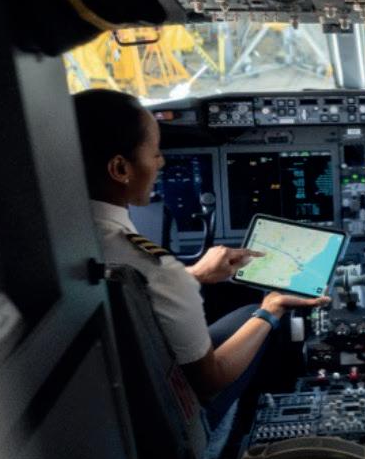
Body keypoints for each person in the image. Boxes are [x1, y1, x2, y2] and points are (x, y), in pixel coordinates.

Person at [72, 89, 329, 427]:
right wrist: (272, 307)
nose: (162, 162)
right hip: (173, 418)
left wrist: (194, 274)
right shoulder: (156, 267)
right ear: (120, 168)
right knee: (255, 314)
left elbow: (138, 292)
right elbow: (209, 383)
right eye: (155, 153)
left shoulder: (61, 242)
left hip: (107, 409)